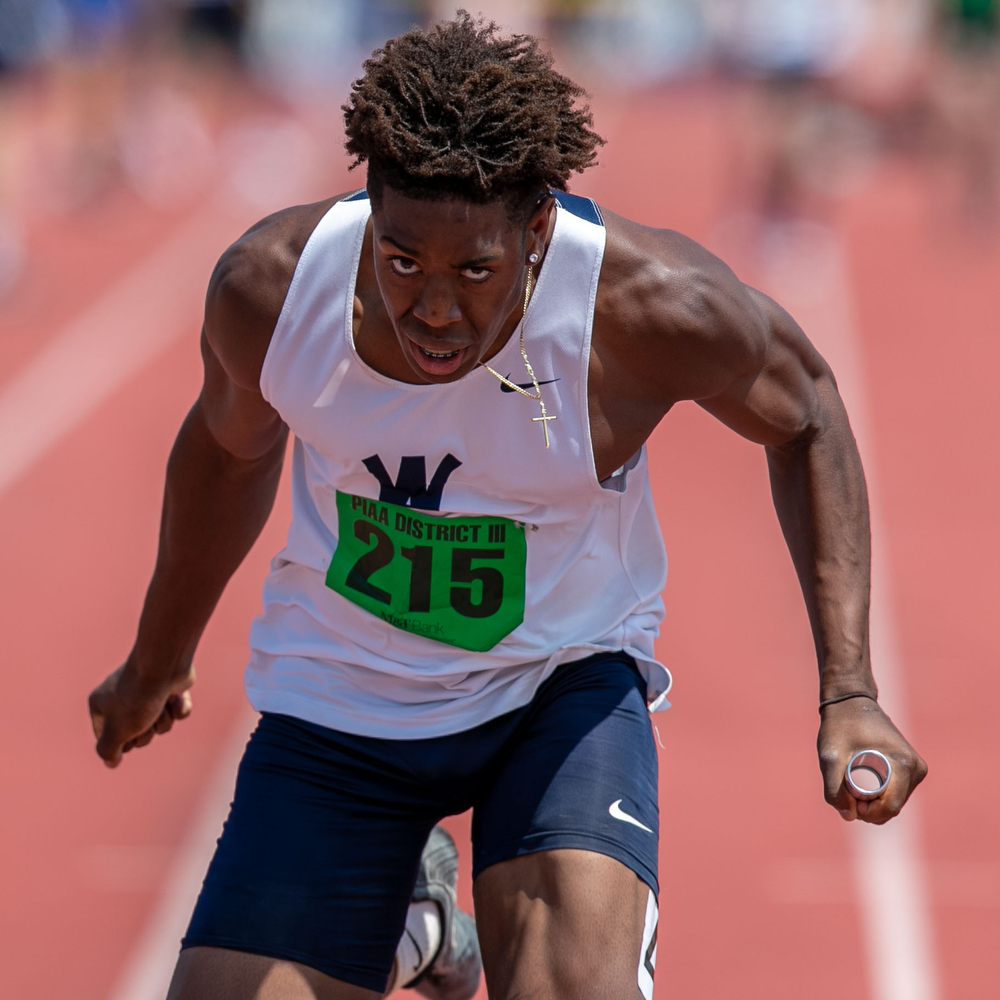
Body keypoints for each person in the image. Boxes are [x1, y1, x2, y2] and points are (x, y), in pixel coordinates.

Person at [88, 13, 928, 1000]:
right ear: (368, 206)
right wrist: (158, 657)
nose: (434, 310)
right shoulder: (273, 292)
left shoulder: (643, 309)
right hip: (341, 699)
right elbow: (228, 455)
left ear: (536, 231)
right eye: (402, 261)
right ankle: (418, 922)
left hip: (555, 689)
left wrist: (848, 689)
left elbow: (809, 413)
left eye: (474, 270)